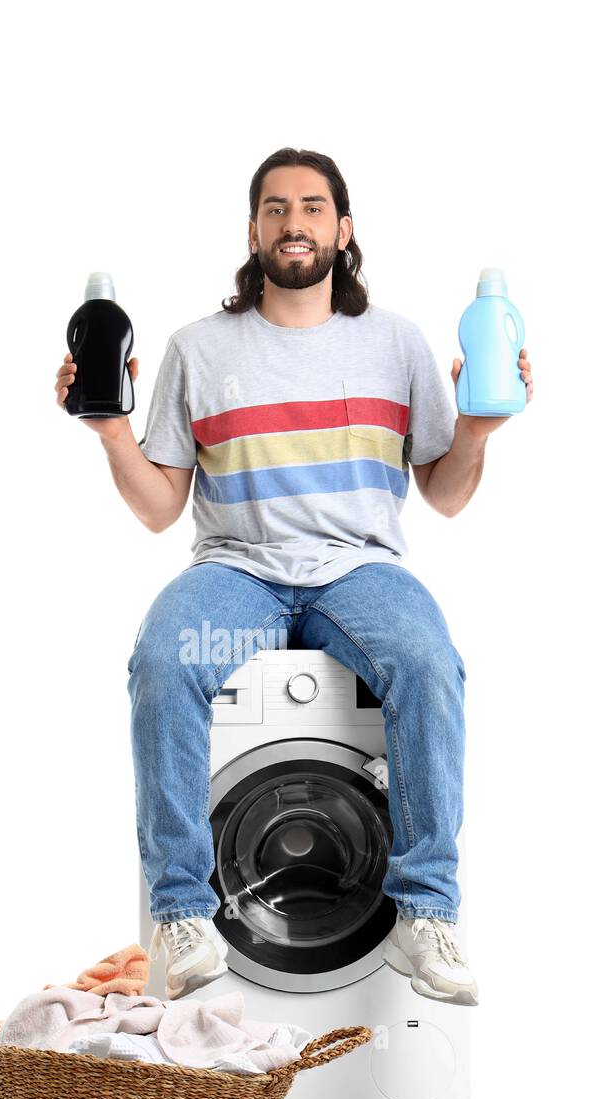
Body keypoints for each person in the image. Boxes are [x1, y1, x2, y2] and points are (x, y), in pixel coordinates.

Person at [54, 147, 533, 1007]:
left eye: (313, 208)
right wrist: (111, 431)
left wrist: (478, 433)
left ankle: (426, 914)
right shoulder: (197, 349)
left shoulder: (397, 343)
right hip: (238, 575)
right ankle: (182, 915)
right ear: (252, 231)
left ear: (342, 230)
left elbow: (446, 496)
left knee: (427, 663)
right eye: (275, 209)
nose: (294, 224)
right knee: (162, 662)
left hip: (359, 574)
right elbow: (162, 509)